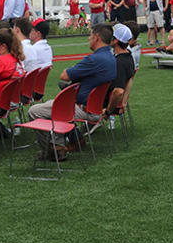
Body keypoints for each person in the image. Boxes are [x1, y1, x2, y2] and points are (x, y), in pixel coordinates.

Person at [27, 24, 117, 157]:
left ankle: (54, 150)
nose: (89, 39)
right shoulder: (110, 57)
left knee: (34, 111)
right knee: (58, 103)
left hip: (83, 108)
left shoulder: (94, 59)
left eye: (90, 36)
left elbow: (64, 75)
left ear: (97, 38)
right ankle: (73, 139)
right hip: (93, 107)